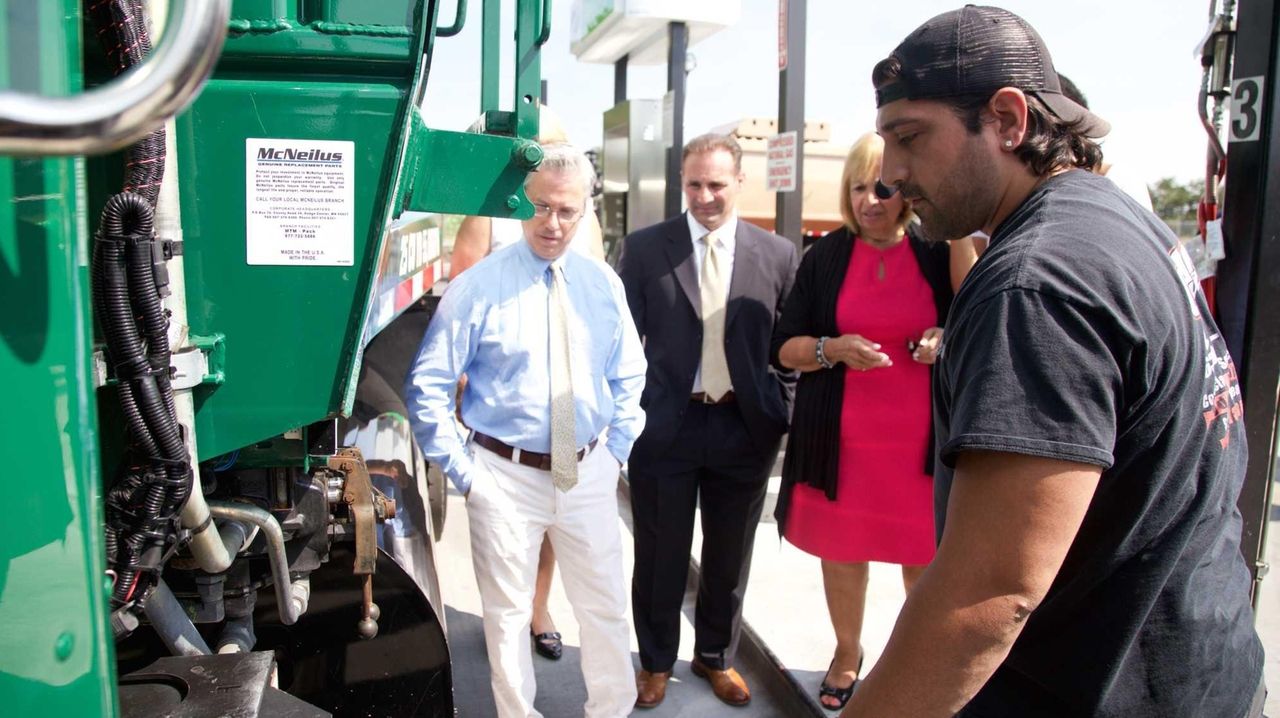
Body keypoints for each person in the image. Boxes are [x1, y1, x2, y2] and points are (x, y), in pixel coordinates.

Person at [839, 6, 1264, 717]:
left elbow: (988, 598)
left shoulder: (1035, 281)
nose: (892, 175)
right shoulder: (1113, 218)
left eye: (909, 137)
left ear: (1008, 120)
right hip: (1206, 675)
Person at [406, 143, 647, 718]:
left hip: (587, 471)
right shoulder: (478, 287)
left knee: (606, 609)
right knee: (509, 616)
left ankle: (611, 712)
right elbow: (428, 385)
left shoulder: (602, 283)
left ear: (585, 210)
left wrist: (614, 452)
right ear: (519, 203)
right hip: (504, 477)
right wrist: (468, 476)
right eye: (541, 207)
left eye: (567, 210)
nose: (553, 223)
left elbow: (629, 373)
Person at [770, 132, 973, 711]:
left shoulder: (936, 250)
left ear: (907, 191)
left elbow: (972, 313)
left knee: (924, 560)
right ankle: (847, 653)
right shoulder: (824, 257)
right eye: (858, 188)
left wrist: (943, 336)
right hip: (843, 444)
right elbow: (783, 348)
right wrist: (831, 349)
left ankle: (916, 663)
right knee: (843, 555)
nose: (869, 201)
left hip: (920, 447)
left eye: (882, 188)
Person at [618, 133, 799, 709]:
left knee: (728, 559)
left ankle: (716, 657)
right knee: (659, 556)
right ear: (682, 182)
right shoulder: (645, 249)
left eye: (716, 184)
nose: (704, 196)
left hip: (743, 428)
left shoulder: (778, 255)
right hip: (665, 429)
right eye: (694, 184)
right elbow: (621, 343)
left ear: (739, 182)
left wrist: (780, 409)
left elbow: (788, 344)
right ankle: (654, 663)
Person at [446, 105, 602, 661]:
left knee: (555, 505)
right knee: (503, 516)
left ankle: (538, 608)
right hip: (504, 388)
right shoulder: (491, 211)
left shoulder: (581, 214)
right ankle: (506, 615)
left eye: (556, 148)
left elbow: (597, 294)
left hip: (563, 388)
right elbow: (461, 289)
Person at [449, 106, 605, 277]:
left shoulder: (584, 212)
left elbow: (597, 276)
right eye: (539, 153)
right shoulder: (492, 210)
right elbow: (462, 280)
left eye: (555, 151)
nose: (548, 161)